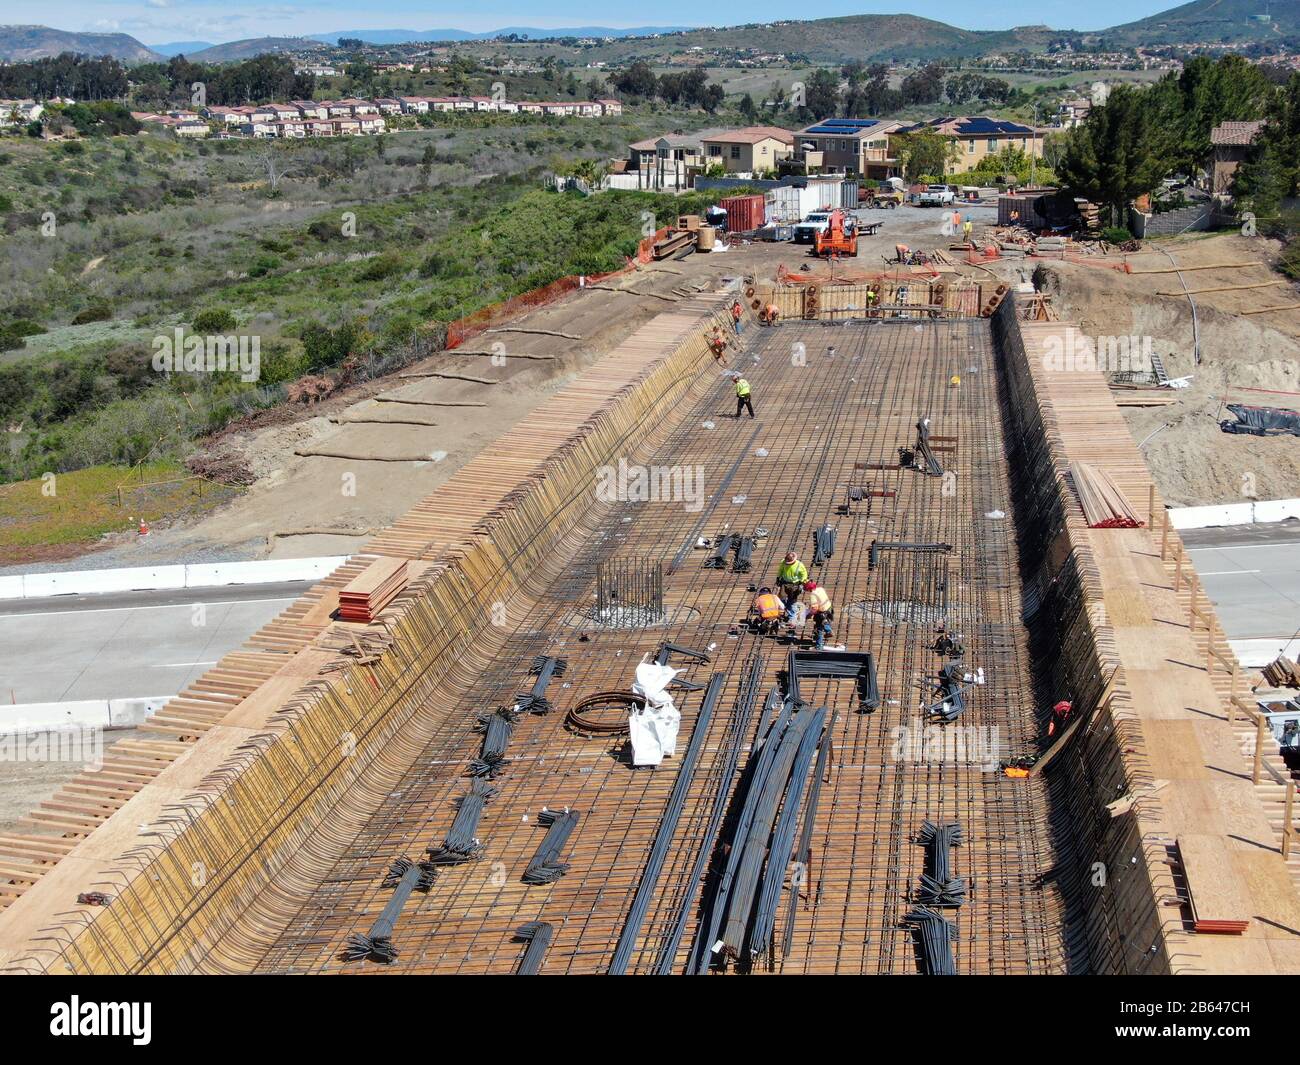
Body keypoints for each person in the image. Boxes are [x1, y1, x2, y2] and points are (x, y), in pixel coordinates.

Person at [776, 551, 808, 620]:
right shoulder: (783, 562)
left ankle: (791, 616)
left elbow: (804, 574)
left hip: (795, 584)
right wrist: (778, 577)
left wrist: (802, 582)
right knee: (781, 598)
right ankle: (786, 608)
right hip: (785, 583)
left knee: (792, 601)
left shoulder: (799, 565)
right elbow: (780, 570)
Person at [803, 580, 834, 650]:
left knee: (818, 629)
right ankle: (828, 630)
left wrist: (809, 615)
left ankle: (819, 646)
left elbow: (815, 608)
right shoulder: (821, 589)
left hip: (822, 612)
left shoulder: (812, 595)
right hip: (829, 608)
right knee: (825, 622)